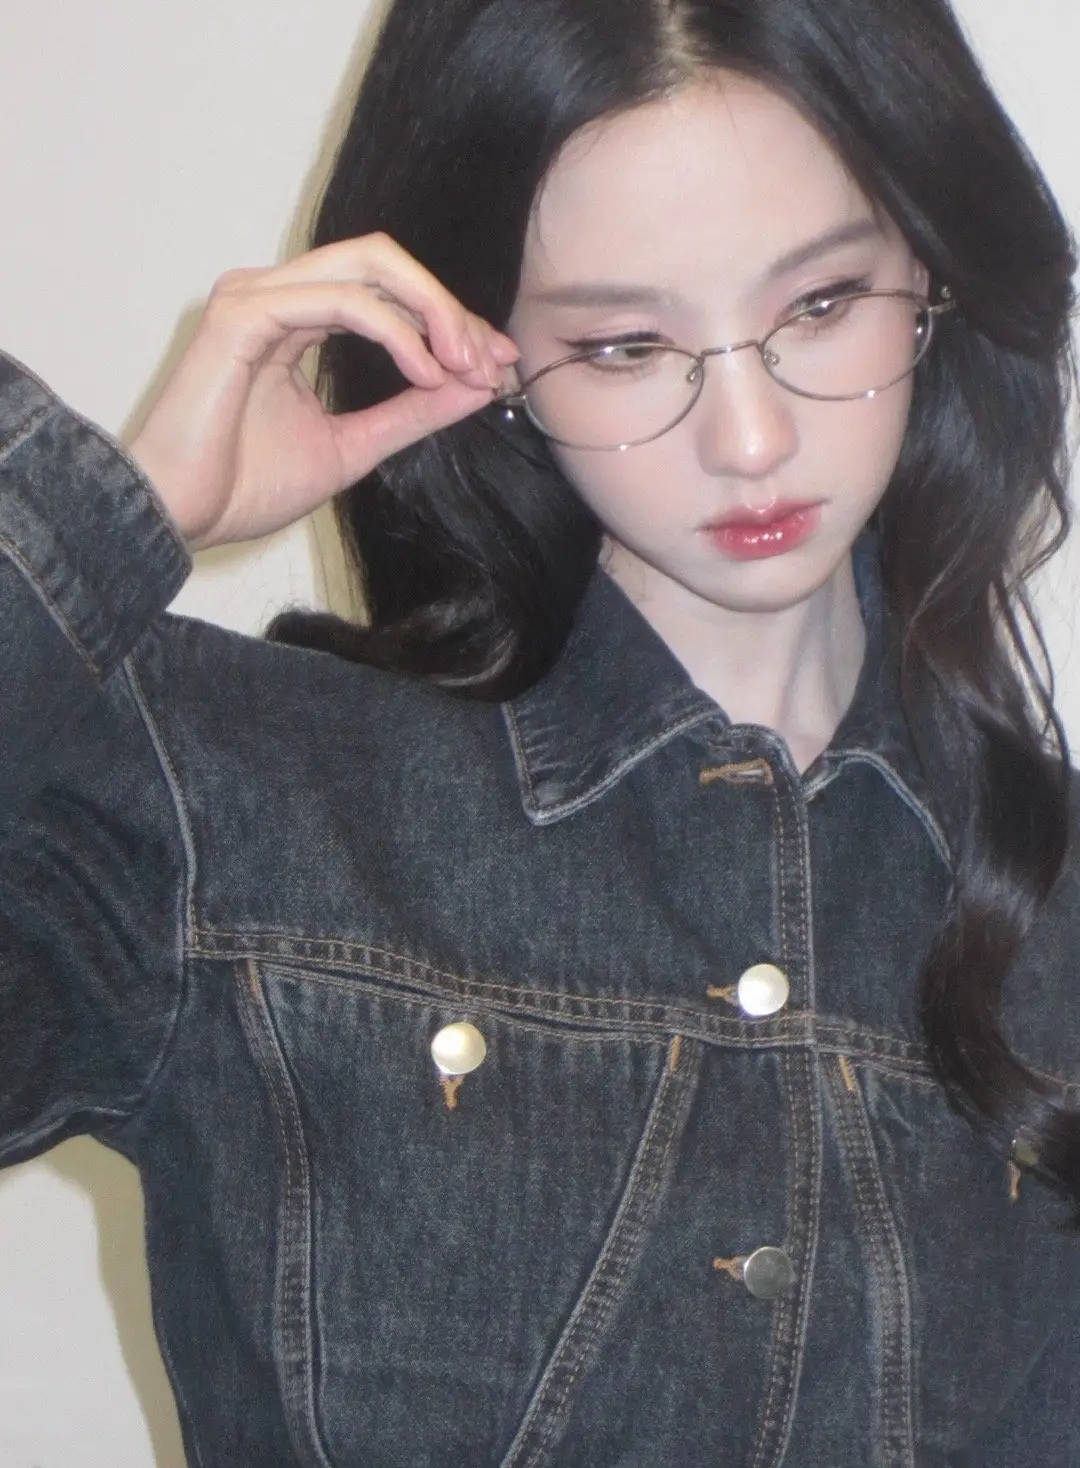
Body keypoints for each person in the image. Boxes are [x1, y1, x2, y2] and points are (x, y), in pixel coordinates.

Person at [2, 0, 1079, 1462]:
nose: (750, 438)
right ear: (487, 358)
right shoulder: (232, 805)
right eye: (627, 344)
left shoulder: (1050, 907)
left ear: (934, 280)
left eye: (822, 305)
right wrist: (118, 516)